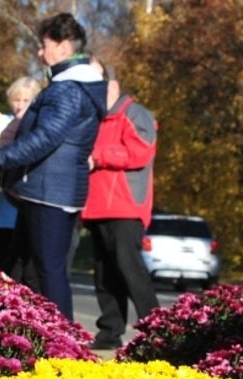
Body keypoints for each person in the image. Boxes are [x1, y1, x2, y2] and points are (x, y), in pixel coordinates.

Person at [0, 14, 106, 321]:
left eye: (44, 45)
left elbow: (46, 137)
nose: (39, 53)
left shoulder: (70, 88)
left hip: (51, 193)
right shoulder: (67, 85)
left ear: (62, 47)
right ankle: (19, 333)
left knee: (49, 273)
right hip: (41, 191)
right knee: (21, 270)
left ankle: (65, 349)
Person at [82, 62, 158, 349]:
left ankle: (157, 330)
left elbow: (140, 152)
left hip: (125, 208)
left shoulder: (135, 114)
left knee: (131, 270)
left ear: (112, 85)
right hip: (97, 208)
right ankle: (109, 331)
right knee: (105, 275)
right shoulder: (96, 119)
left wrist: (97, 155)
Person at [0, 76, 43, 282]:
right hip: (1, 207)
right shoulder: (0, 123)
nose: (20, 105)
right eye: (17, 100)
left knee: (25, 263)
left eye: (26, 100)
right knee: (5, 264)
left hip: (25, 201)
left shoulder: (39, 125)